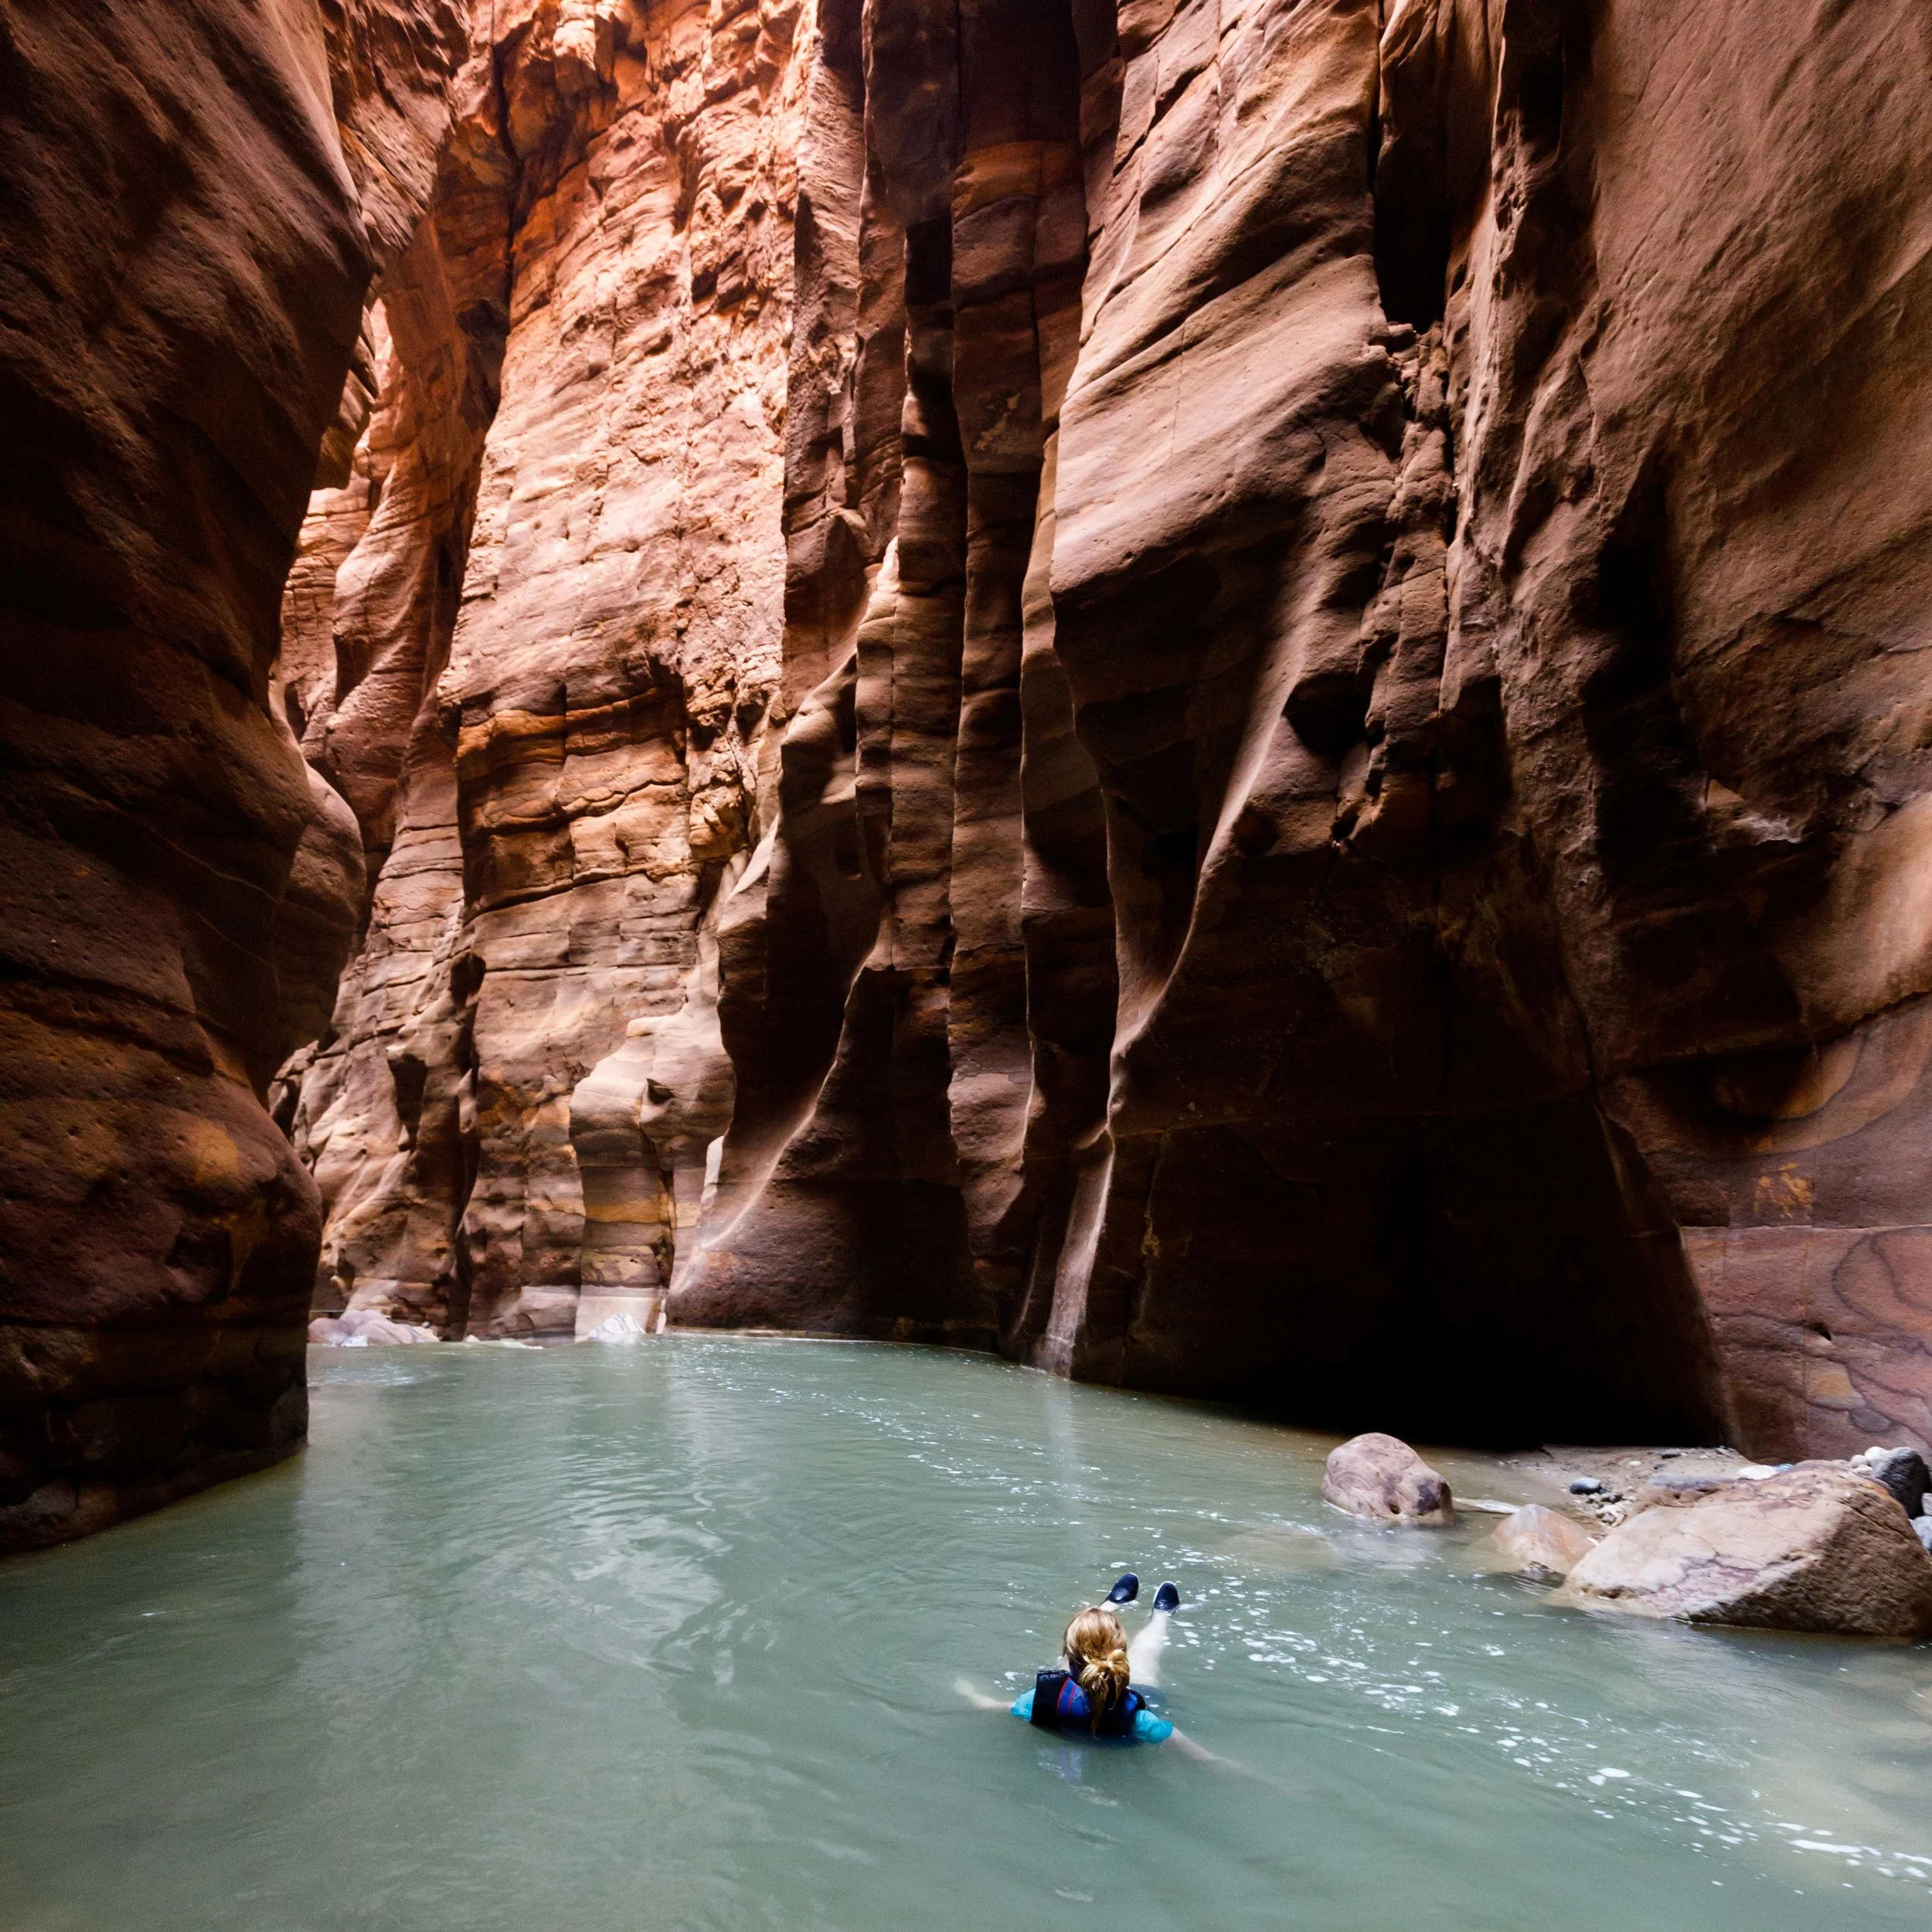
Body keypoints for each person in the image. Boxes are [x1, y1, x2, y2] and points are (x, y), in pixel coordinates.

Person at [1005, 1576, 1183, 1744]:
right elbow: (1177, 1740)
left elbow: (1004, 1707)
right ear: (1120, 1655)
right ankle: (1162, 1616)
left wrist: (977, 1695)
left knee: (1077, 1650)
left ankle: (1110, 1605)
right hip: (1140, 1687)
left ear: (1069, 1658)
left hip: (1074, 1678)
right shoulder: (1139, 1720)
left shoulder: (1036, 1701)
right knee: (1145, 1653)